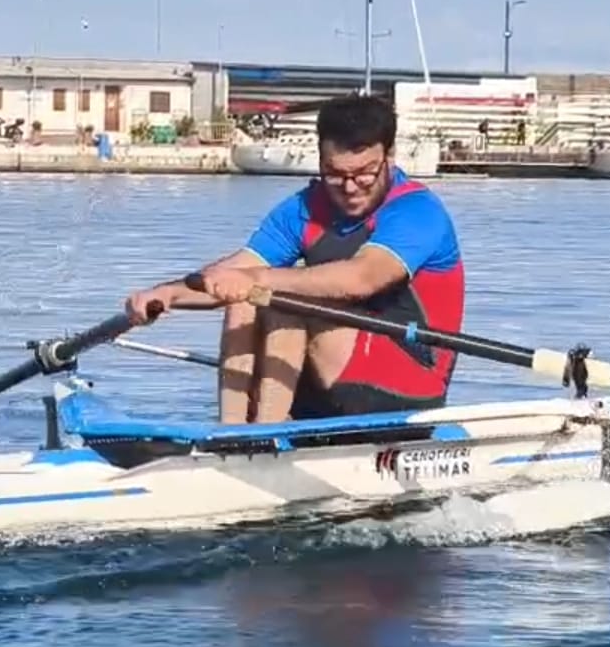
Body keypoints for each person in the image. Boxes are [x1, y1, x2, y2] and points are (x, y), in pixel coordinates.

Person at [124, 94, 465, 423]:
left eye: (364, 174)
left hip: (406, 385)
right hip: (328, 378)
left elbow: (362, 278)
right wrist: (168, 293)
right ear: (319, 159)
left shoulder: (417, 212)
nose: (349, 188)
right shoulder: (304, 208)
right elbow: (236, 270)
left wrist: (255, 280)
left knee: (275, 297)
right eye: (335, 174)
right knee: (243, 299)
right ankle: (232, 431)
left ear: (390, 157)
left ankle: (265, 434)